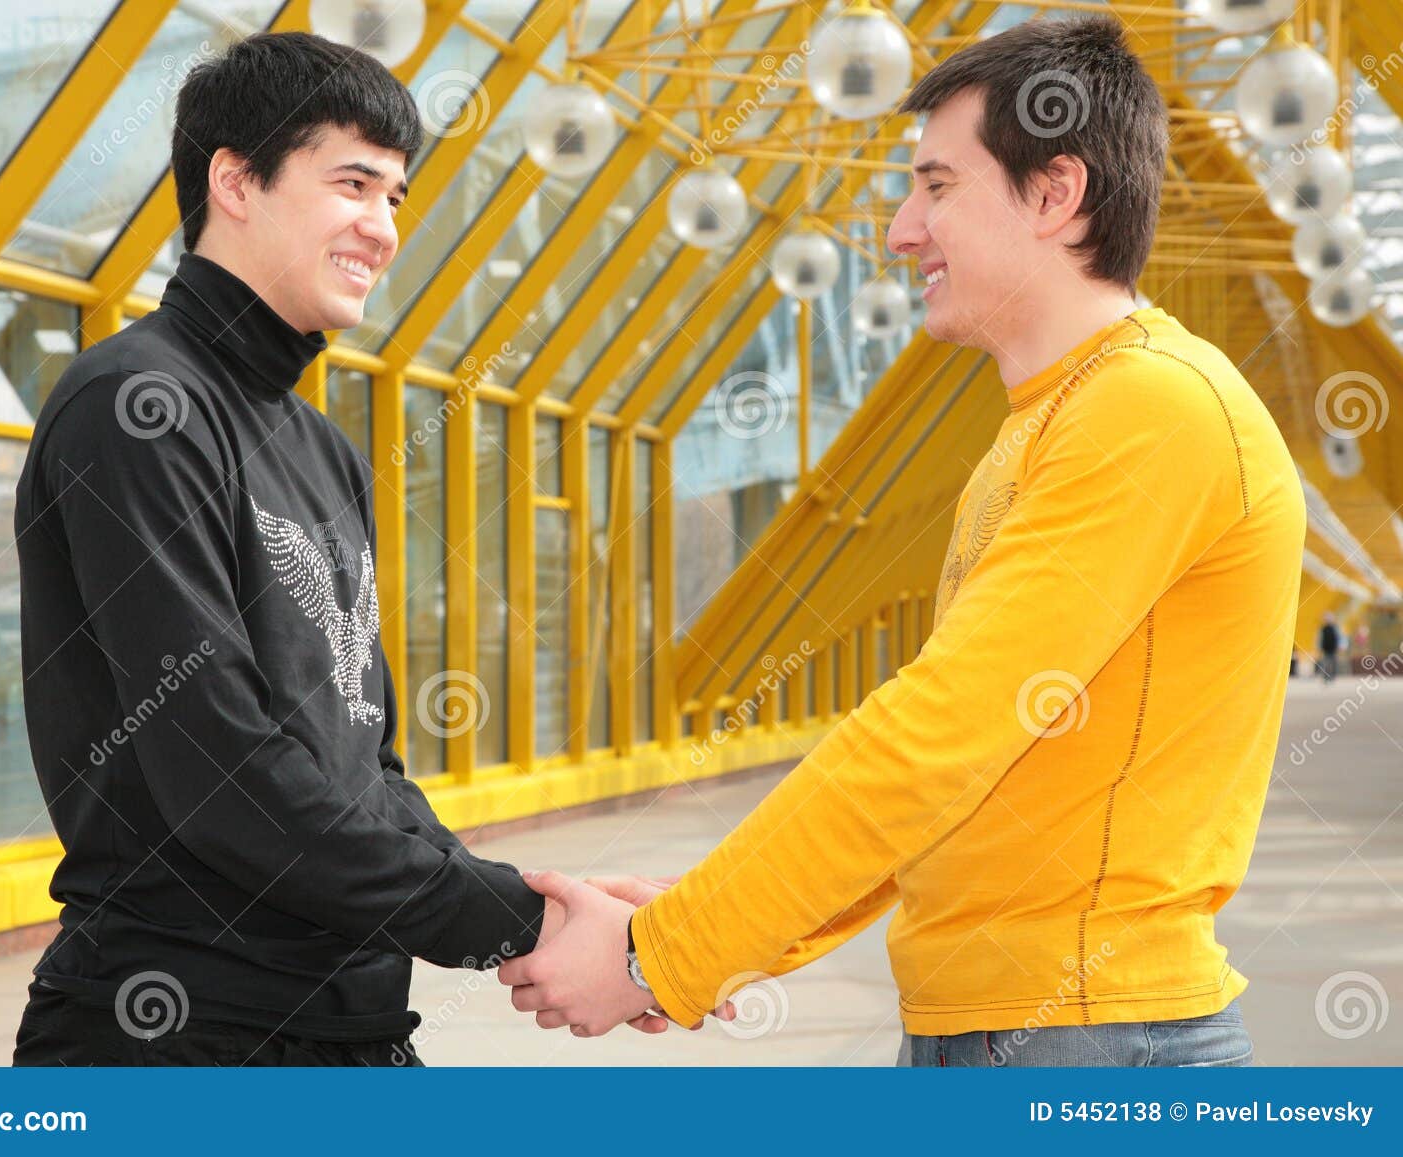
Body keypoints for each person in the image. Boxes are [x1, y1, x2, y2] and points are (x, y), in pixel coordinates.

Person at [500, 15, 1305, 1067]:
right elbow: (960, 786)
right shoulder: (1049, 423)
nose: (898, 230)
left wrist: (666, 950)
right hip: (1015, 1028)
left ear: (1055, 194)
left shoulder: (1152, 408)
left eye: (935, 185)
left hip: (1090, 1042)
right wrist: (704, 930)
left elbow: (941, 730)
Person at [8, 32, 563, 1067]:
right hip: (180, 1036)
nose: (382, 227)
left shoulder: (323, 447)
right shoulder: (136, 409)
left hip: (350, 1028)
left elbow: (367, 763)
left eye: (396, 196)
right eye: (353, 182)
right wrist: (514, 922)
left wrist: (533, 900)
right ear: (236, 181)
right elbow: (219, 768)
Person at [1317, 612, 1343, 682]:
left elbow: (1339, 638)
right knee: (1325, 663)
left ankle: (1332, 677)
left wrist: (1340, 646)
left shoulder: (1335, 628)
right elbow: (1320, 638)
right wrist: (1319, 648)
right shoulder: (1323, 628)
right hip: (1325, 649)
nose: (1327, 620)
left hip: (1333, 649)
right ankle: (1325, 677)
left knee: (1333, 663)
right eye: (1326, 619)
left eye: (1329, 619)